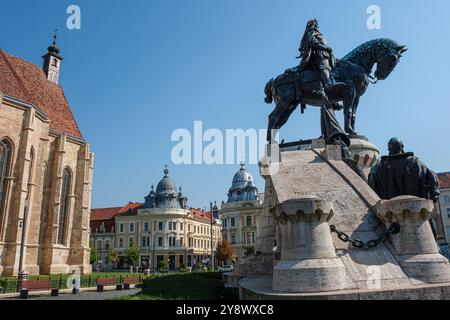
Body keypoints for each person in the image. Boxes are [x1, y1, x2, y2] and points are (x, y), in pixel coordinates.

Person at [298, 19, 336, 89]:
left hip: (325, 54)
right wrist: (325, 48)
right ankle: (328, 84)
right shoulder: (312, 32)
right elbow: (313, 43)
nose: (317, 26)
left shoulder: (316, 33)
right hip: (320, 54)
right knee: (324, 67)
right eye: (315, 24)